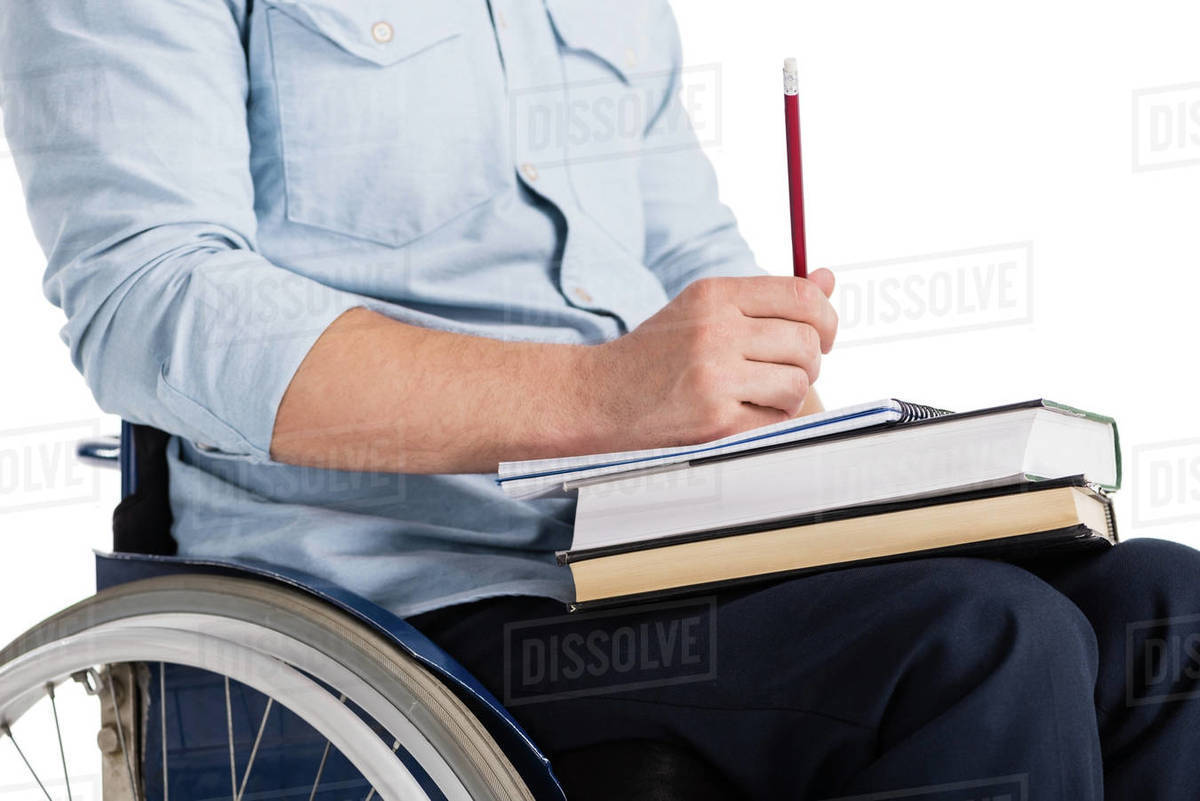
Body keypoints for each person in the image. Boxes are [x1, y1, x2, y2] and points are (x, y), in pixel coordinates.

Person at [2, 1, 1197, 798]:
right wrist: (603, 393)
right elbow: (147, 301)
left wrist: (790, 410)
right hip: (409, 605)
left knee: (1166, 613)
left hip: (662, 554)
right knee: (982, 643)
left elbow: (687, 263)